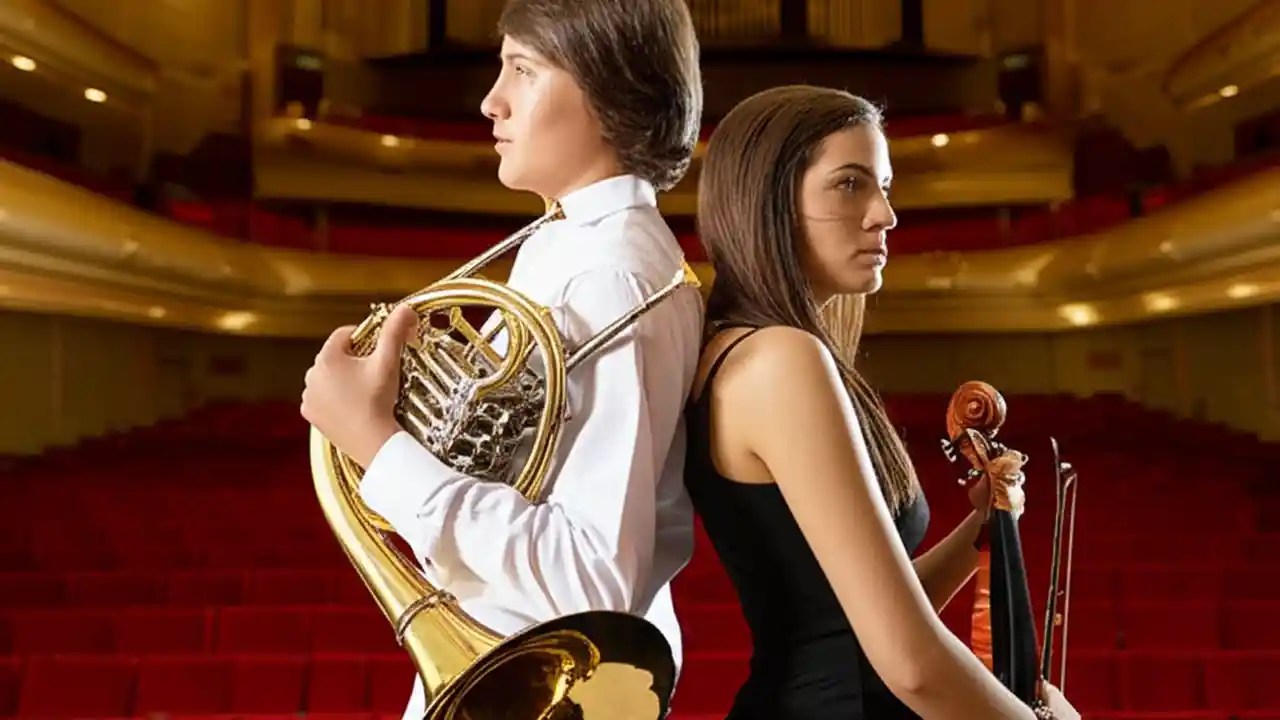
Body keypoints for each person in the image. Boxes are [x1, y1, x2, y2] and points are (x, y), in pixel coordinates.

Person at [299, 0, 703, 717]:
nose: (492, 102)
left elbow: (590, 579)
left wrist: (379, 445)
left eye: (523, 70)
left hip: (542, 677)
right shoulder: (563, 244)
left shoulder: (610, 275)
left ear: (609, 92)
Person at [683, 85, 1081, 720]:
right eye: (850, 184)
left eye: (886, 187)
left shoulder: (742, 351)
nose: (885, 214)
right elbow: (910, 665)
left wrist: (980, 528)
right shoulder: (781, 360)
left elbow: (855, 621)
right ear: (769, 202)